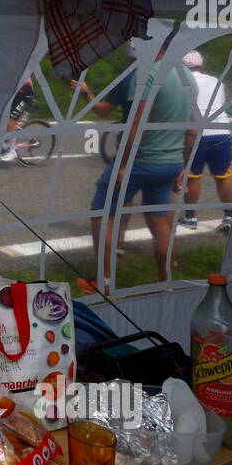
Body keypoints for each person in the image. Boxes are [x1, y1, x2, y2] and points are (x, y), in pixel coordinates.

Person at [83, 53, 194, 293]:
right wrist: (183, 166)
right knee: (160, 221)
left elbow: (138, 123)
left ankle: (105, 282)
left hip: (141, 160)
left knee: (103, 215)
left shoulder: (148, 73)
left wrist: (122, 164)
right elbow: (193, 128)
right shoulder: (187, 77)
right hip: (171, 162)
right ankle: (166, 281)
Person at [71, 41, 139, 251]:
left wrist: (86, 93)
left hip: (135, 150)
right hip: (169, 153)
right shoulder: (175, 76)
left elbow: (102, 111)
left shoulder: (130, 78)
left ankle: (106, 272)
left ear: (130, 56)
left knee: (106, 203)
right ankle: (167, 274)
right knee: (161, 213)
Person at [178, 50, 232, 233]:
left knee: (193, 176)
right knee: (223, 175)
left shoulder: (181, 81)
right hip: (221, 131)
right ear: (201, 65)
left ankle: (190, 218)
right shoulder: (216, 81)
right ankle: (229, 217)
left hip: (197, 133)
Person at [0, 77, 36, 162]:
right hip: (15, 91)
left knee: (11, 120)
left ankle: (12, 151)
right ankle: (5, 142)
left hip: (25, 91)